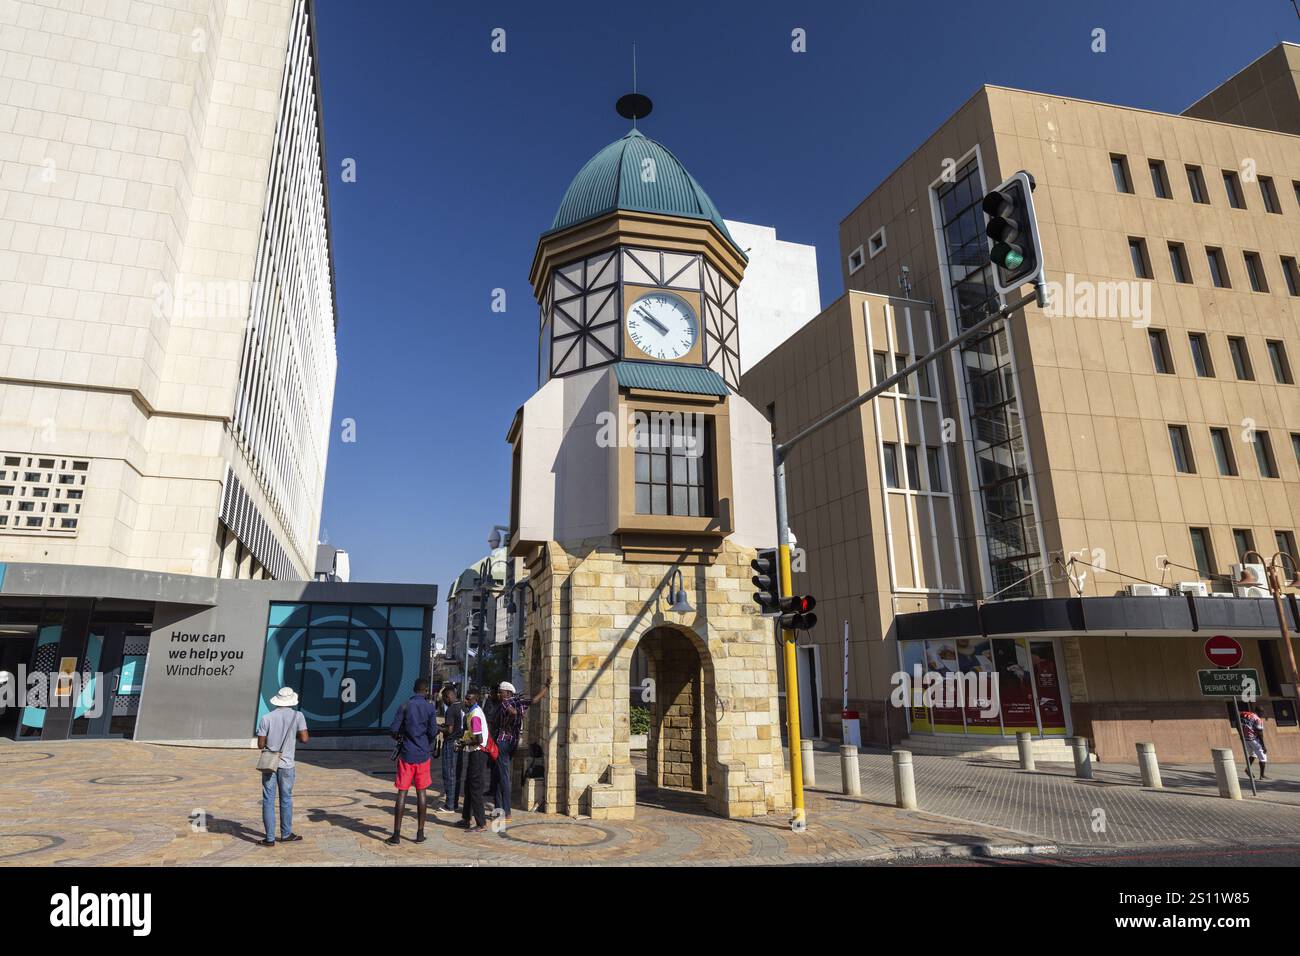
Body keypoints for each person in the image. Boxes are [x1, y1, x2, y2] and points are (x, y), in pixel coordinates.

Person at [491, 676, 552, 823]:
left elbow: (512, 712)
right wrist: (546, 687)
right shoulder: (519, 701)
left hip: (503, 742)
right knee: (499, 775)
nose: (499, 694)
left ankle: (507, 812)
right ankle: (498, 809)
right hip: (513, 743)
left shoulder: (506, 702)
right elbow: (535, 700)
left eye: (501, 692)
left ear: (508, 693)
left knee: (503, 777)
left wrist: (515, 716)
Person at [387, 677, 440, 845]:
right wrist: (424, 742)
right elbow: (433, 732)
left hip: (406, 755)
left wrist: (404, 735)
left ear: (414, 689)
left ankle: (396, 835)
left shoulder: (404, 706)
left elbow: (393, 730)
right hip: (423, 755)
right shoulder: (430, 708)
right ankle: (420, 833)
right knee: (421, 792)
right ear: (425, 691)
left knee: (402, 792)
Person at [256, 686, 309, 846]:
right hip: (287, 764)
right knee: (286, 798)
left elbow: (260, 744)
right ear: (291, 700)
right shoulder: (298, 716)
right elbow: (305, 739)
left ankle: (269, 838)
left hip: (270, 764)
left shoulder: (267, 717)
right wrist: (296, 737)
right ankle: (286, 834)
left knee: (268, 800)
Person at [457, 688, 489, 832]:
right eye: (465, 698)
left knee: (475, 788)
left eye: (469, 699)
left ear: (475, 700)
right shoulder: (472, 712)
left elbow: (478, 739)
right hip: (474, 753)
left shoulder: (475, 715)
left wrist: (464, 743)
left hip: (478, 753)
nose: (465, 701)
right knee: (468, 786)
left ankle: (481, 823)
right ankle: (466, 818)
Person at [439, 684, 464, 812]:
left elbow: (449, 730)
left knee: (448, 773)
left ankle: (449, 805)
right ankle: (454, 803)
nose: (443, 701)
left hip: (450, 743)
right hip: (460, 743)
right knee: (456, 774)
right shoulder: (462, 706)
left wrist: (438, 728)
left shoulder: (451, 709)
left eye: (444, 698)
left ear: (448, 697)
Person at [1239, 703, 1268, 778]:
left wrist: (1240, 735)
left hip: (1245, 739)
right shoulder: (1257, 719)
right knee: (1263, 757)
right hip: (1253, 739)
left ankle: (1247, 769)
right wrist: (1263, 746)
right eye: (1262, 713)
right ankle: (1262, 775)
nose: (1262, 714)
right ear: (1259, 712)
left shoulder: (1244, 714)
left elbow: (1237, 723)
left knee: (1253, 755)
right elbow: (1260, 733)